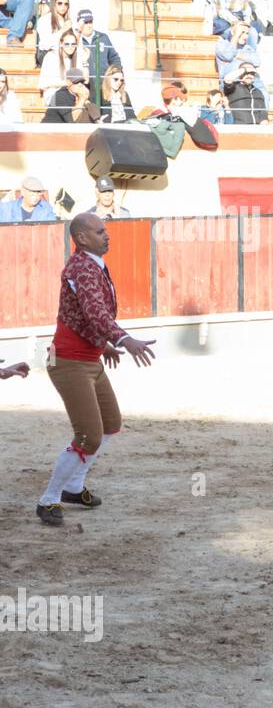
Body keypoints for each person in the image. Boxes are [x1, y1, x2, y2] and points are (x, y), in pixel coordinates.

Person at [35, 214, 158, 527]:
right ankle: (48, 499)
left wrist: (102, 344)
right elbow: (94, 312)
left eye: (106, 230)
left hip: (88, 359)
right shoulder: (82, 267)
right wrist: (124, 338)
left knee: (111, 424)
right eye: (100, 231)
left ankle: (73, 487)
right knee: (89, 435)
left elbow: (78, 314)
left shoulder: (90, 265)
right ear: (82, 237)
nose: (107, 236)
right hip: (68, 362)